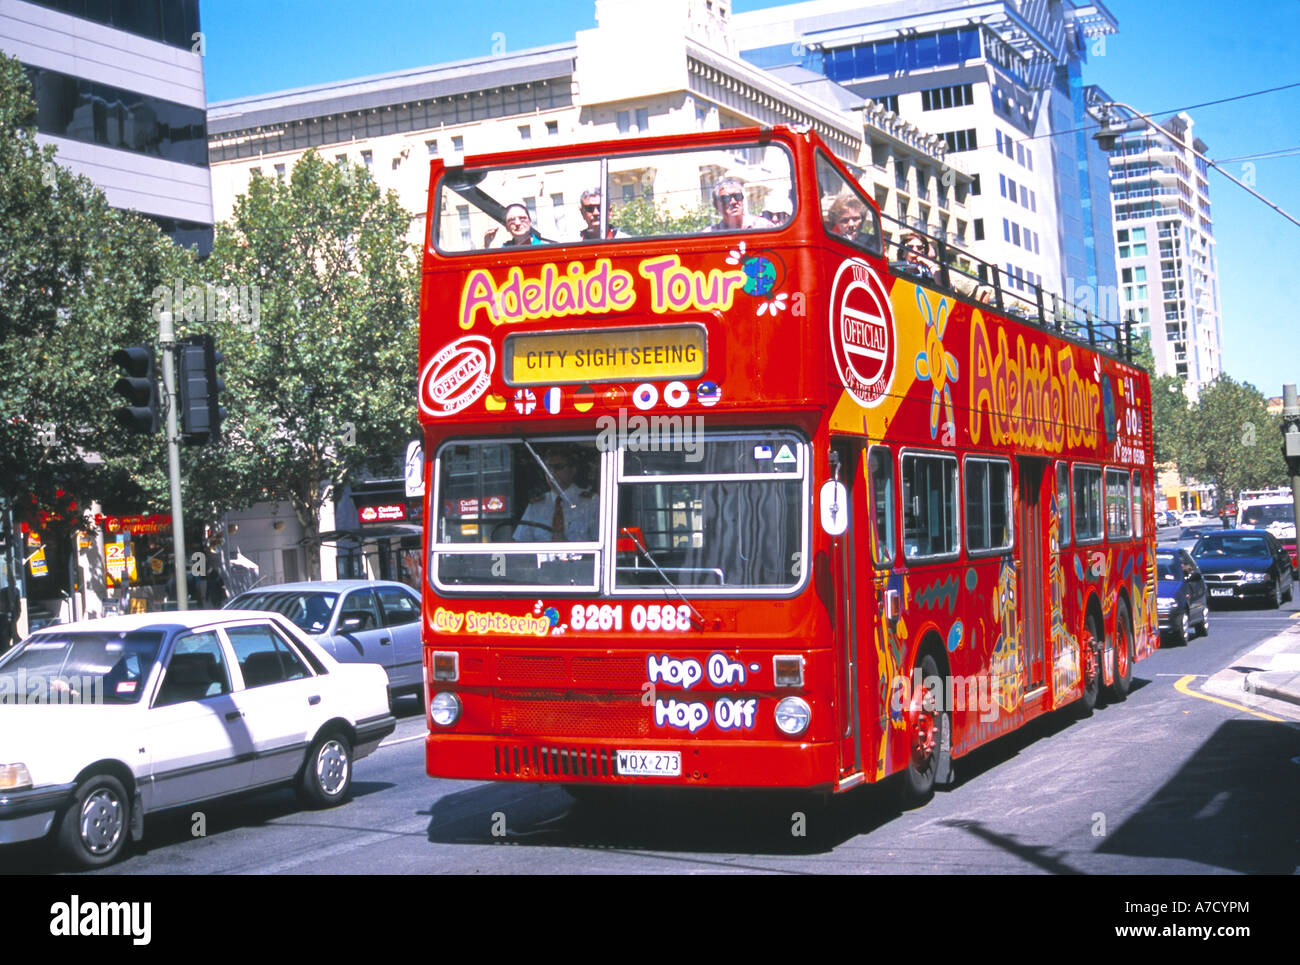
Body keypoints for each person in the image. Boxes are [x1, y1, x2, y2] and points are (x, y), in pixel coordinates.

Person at [513, 447, 599, 542]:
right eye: (548, 468)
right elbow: (521, 544)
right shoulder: (536, 506)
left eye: (559, 467)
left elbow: (601, 542)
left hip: (582, 557)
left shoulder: (591, 503)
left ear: (573, 470)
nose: (552, 473)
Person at [708, 178, 773, 231]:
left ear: (743, 199)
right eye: (725, 198)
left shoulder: (764, 227)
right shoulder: (709, 235)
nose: (733, 202)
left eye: (737, 196)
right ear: (716, 205)